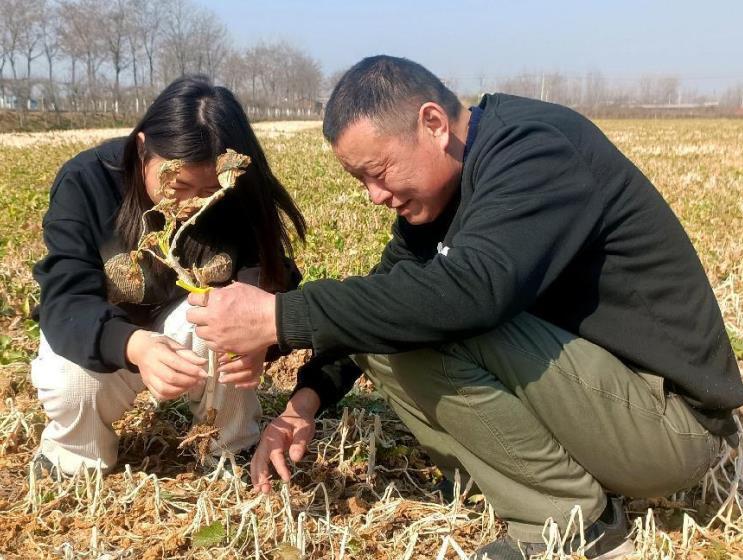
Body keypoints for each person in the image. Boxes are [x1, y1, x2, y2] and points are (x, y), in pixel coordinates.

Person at [187, 56, 743, 559]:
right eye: (360, 181)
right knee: (391, 314)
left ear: (433, 123)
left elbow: (472, 294)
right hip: (608, 407)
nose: (374, 197)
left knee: (427, 317)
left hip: (669, 426)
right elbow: (384, 293)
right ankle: (506, 476)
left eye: (377, 173)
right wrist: (302, 404)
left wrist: (276, 317)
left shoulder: (535, 151)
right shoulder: (438, 198)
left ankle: (575, 520)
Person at [31, 76, 306, 477]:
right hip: (105, 332)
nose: (192, 203)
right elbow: (65, 302)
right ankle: (75, 456)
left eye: (211, 189)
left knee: (228, 320)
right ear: (143, 148)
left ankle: (229, 446)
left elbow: (267, 277)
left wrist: (259, 340)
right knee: (70, 378)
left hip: (185, 324)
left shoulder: (234, 187)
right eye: (177, 185)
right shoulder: (86, 182)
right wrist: (134, 345)